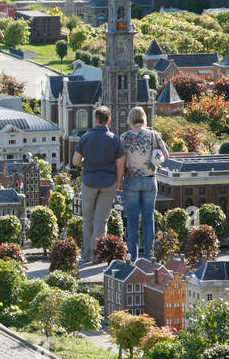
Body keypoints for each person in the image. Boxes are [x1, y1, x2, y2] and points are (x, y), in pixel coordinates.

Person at [72, 106, 125, 264]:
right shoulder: (114, 139)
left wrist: (86, 164)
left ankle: (86, 256)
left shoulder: (85, 138)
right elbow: (120, 163)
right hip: (109, 182)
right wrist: (119, 182)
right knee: (101, 220)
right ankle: (98, 256)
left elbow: (75, 161)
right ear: (108, 120)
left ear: (95, 119)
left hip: (89, 182)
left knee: (87, 219)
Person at [119, 106, 168, 260]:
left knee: (132, 219)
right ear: (144, 119)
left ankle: (132, 257)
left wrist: (119, 180)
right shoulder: (154, 135)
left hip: (131, 181)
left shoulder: (125, 137)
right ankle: (149, 256)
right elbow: (165, 155)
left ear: (130, 120)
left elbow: (120, 160)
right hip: (149, 180)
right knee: (149, 218)